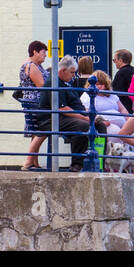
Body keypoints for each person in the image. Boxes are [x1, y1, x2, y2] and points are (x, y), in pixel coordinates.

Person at [55, 56, 91, 171]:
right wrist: (84, 118)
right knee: (84, 126)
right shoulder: (56, 83)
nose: (73, 76)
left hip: (74, 115)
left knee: (100, 124)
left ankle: (99, 162)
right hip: (56, 118)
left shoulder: (66, 83)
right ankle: (77, 164)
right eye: (71, 73)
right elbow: (62, 109)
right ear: (63, 71)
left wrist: (88, 115)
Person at [19, 41, 49, 171]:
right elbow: (42, 85)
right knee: (44, 129)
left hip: (34, 103)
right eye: (43, 53)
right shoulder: (31, 66)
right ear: (35, 52)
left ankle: (34, 162)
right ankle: (28, 162)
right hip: (35, 103)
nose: (45, 56)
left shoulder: (34, 65)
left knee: (36, 131)